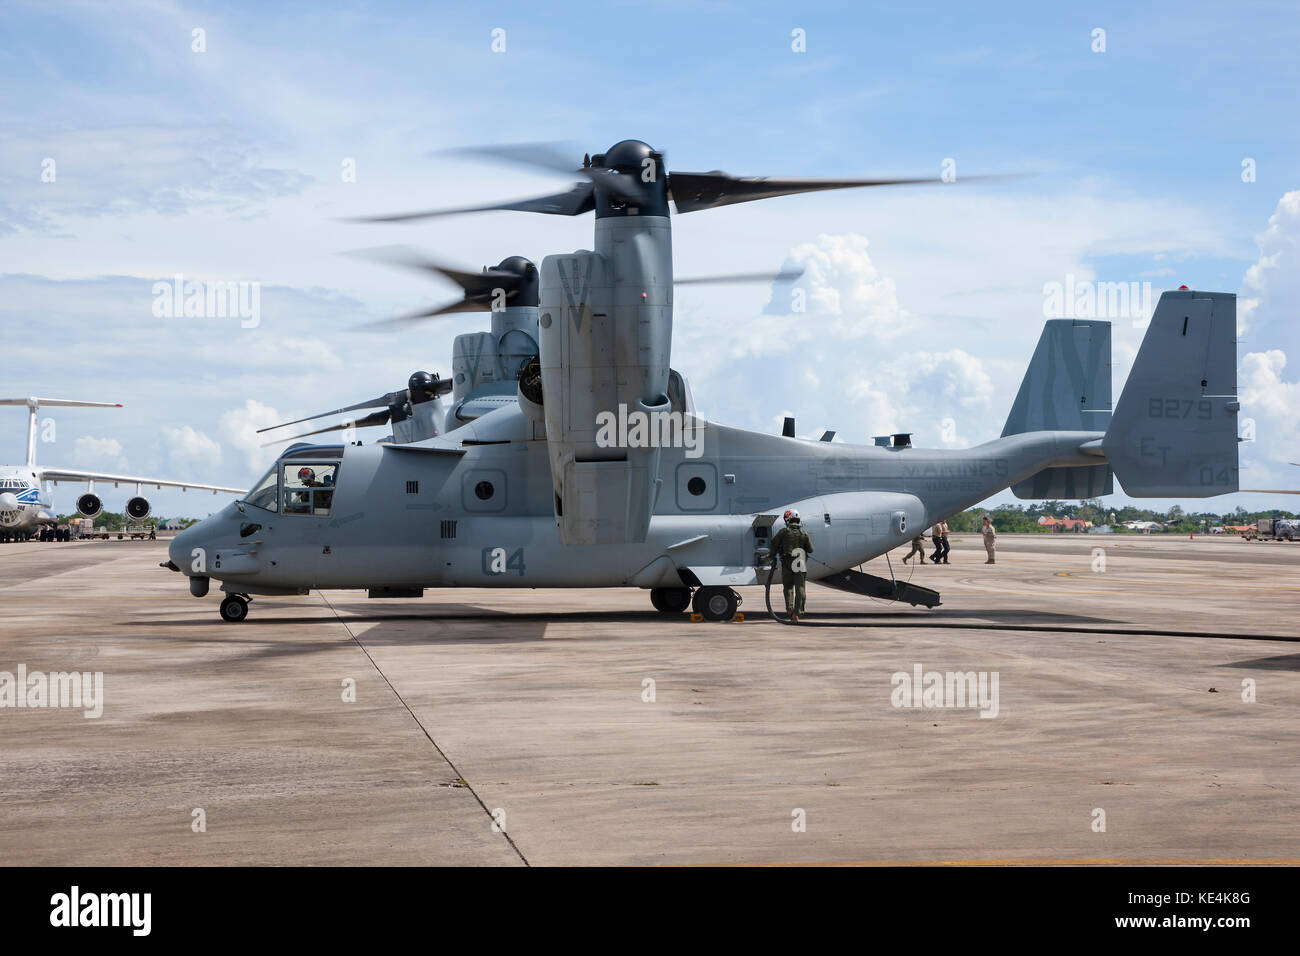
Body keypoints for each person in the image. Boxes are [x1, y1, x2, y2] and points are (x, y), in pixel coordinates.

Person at [769, 509, 814, 623]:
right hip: (800, 564)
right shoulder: (804, 533)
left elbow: (774, 544)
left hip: (787, 563)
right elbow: (811, 550)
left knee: (788, 587)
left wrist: (772, 555)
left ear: (788, 519)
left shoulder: (783, 532)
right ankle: (797, 613)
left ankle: (789, 609)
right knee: (800, 588)